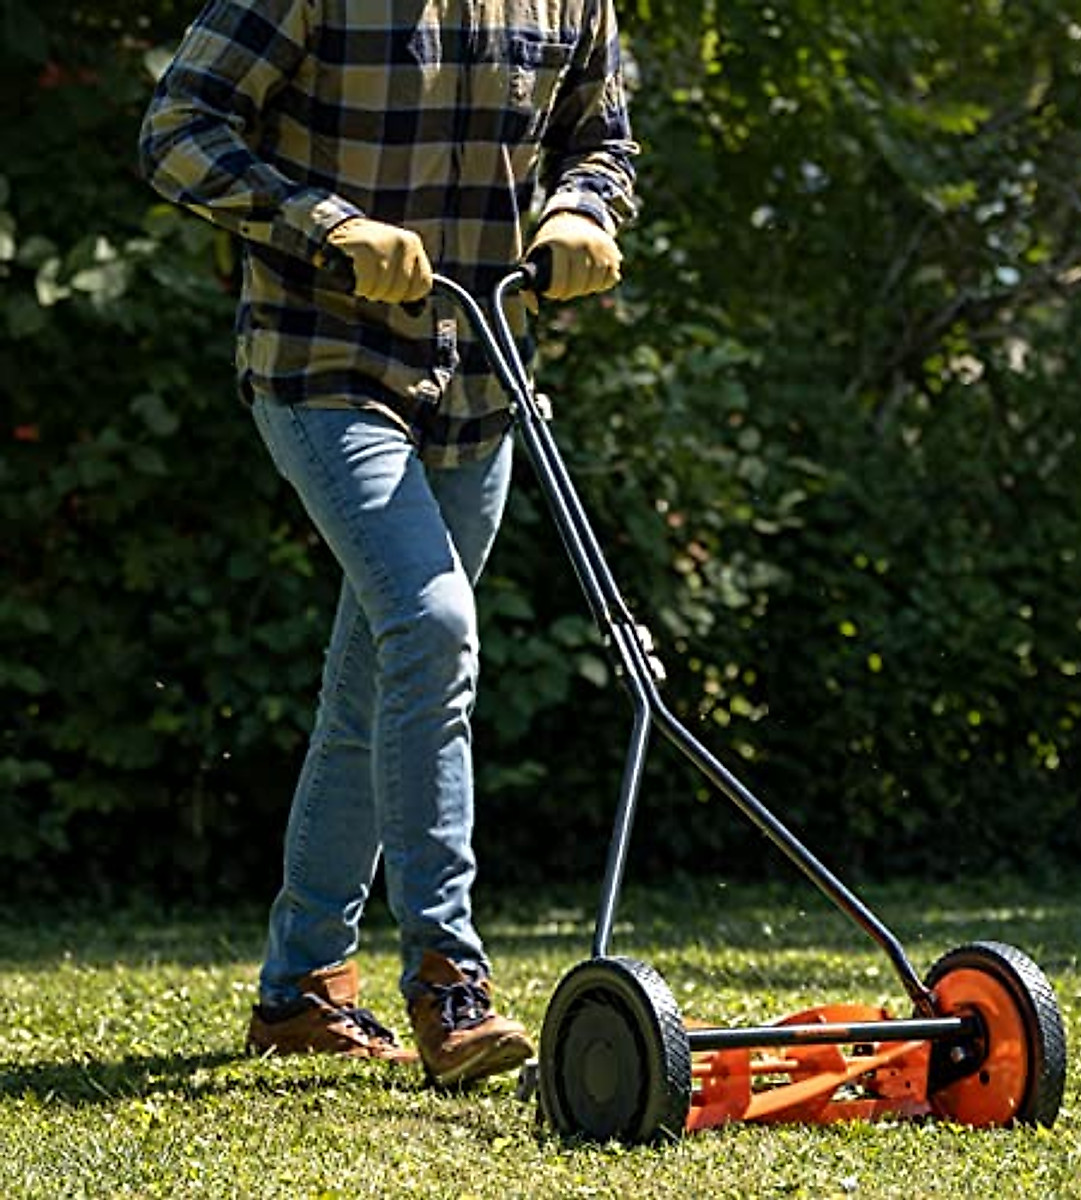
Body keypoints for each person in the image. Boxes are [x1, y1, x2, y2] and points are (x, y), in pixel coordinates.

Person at [139, 0, 637, 1087]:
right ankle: (449, 986)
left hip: (480, 381)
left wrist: (583, 211)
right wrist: (322, 222)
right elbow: (178, 128)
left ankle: (302, 989)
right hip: (324, 367)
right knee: (433, 621)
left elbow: (599, 139)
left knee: (379, 676)